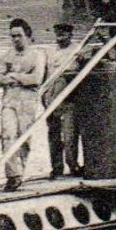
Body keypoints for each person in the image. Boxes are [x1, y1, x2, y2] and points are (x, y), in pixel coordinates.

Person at [0, 18, 47, 190]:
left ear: (27, 36)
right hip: (9, 100)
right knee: (8, 135)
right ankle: (13, 175)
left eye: (19, 35)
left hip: (27, 101)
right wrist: (20, 78)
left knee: (24, 137)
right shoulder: (6, 56)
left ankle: (20, 173)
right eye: (13, 36)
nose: (16, 39)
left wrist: (13, 76)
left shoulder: (37, 55)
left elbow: (36, 79)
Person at [44, 23, 82, 178]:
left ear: (70, 34)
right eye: (57, 33)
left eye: (63, 33)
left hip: (69, 99)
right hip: (51, 99)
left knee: (70, 135)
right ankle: (56, 168)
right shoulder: (50, 52)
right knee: (53, 135)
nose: (60, 36)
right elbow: (45, 74)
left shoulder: (77, 50)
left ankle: (73, 166)